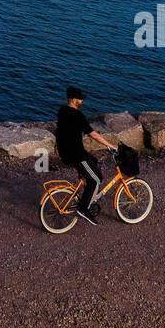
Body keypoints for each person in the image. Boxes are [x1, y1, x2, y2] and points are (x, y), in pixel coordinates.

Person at [54, 85, 115, 226]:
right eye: (80, 99)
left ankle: (85, 189)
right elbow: (92, 134)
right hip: (76, 155)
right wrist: (110, 145)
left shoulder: (62, 111)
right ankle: (83, 209)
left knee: (94, 161)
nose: (82, 101)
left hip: (66, 153)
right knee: (96, 180)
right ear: (74, 99)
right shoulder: (78, 115)